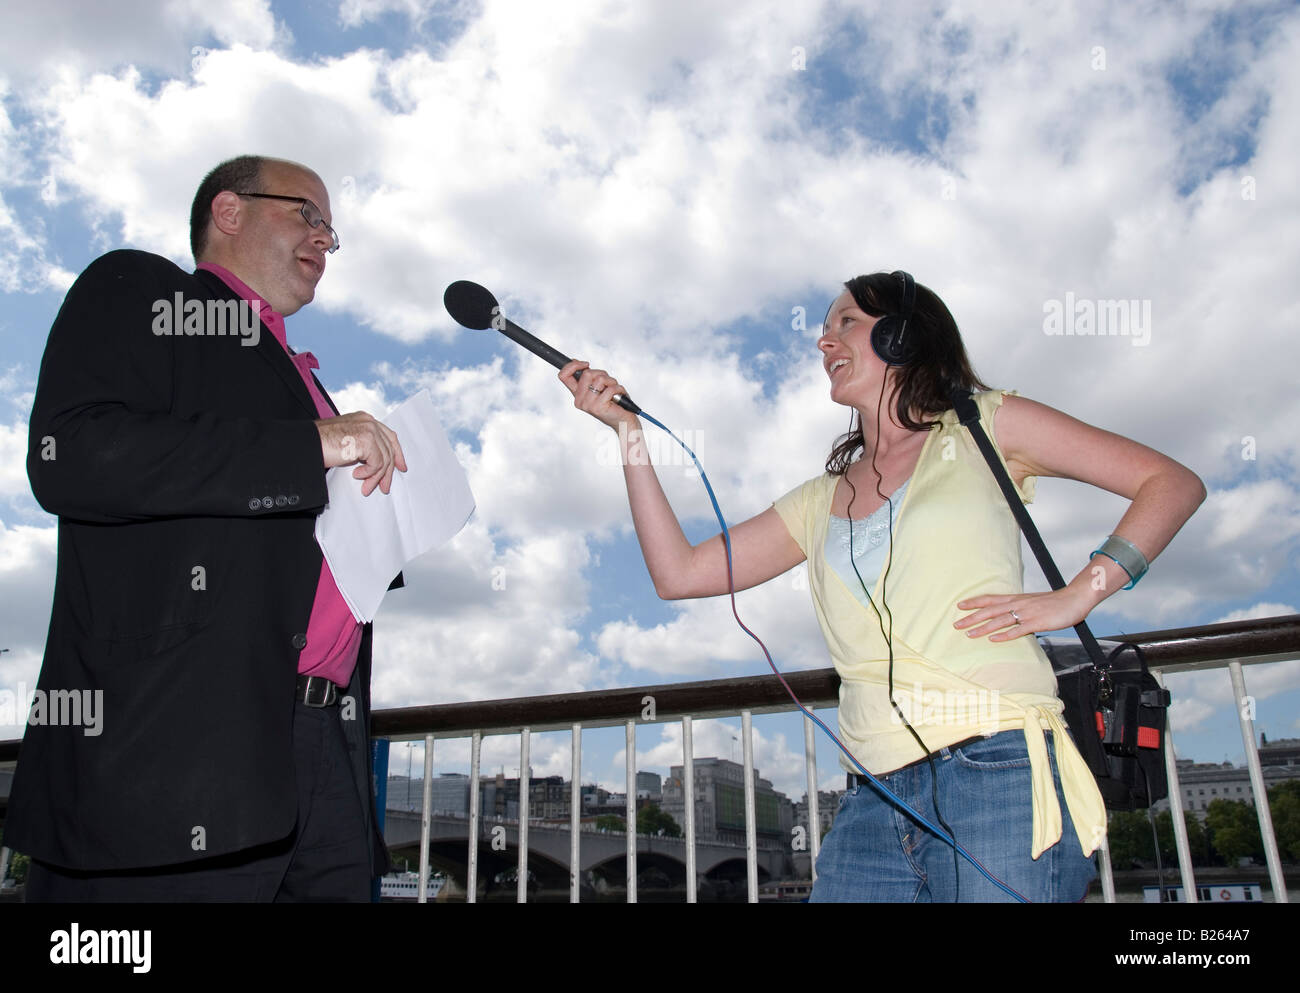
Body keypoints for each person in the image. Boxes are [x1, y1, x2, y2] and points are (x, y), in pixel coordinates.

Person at [557, 270, 1205, 902]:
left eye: (846, 322)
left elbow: (1170, 483)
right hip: (875, 794)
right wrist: (628, 433)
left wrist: (1079, 592)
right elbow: (681, 573)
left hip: (998, 769)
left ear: (901, 337)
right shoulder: (819, 499)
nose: (823, 341)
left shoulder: (987, 423)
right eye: (822, 329)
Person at [6, 154, 406, 901]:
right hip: (175, 754)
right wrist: (311, 445)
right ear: (229, 211)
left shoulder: (311, 380)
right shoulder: (139, 289)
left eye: (332, 229)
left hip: (326, 756)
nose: (326, 240)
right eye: (307, 215)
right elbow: (74, 456)